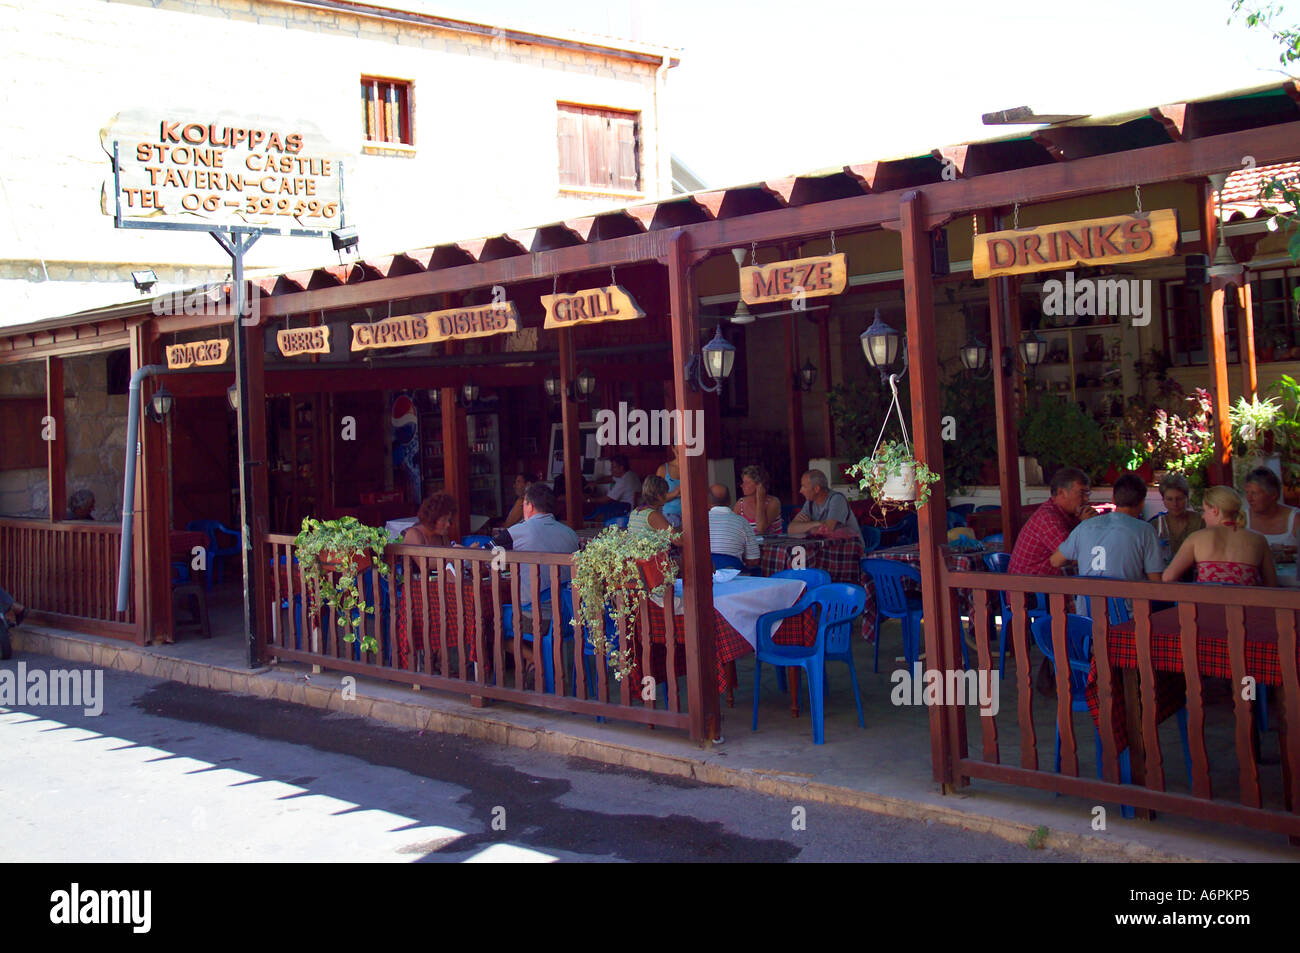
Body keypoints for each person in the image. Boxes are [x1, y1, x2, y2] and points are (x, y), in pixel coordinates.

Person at [1051, 473, 1163, 615]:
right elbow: (1157, 583)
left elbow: (1055, 561)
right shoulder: (1145, 530)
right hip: (1125, 618)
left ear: (1113, 499)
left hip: (1087, 615)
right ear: (1142, 502)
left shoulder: (1085, 526)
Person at [491, 482, 579, 622]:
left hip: (535, 613)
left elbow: (488, 552)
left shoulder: (518, 531)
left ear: (530, 505)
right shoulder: (571, 534)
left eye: (523, 505)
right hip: (568, 614)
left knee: (496, 627)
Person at [1163, 485, 1277, 586]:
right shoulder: (1258, 539)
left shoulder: (1196, 538)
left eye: (1204, 510)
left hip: (1208, 608)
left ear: (1215, 510)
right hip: (1247, 608)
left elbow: (1168, 578)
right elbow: (1272, 585)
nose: (1203, 517)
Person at [1007, 467, 1098, 578]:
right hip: (1031, 590)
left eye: (1087, 494)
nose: (1086, 499)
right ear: (1061, 492)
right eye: (1082, 493)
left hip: (1051, 585)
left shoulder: (1073, 515)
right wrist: (1086, 525)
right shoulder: (1048, 518)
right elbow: (1073, 557)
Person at [787, 469, 864, 545]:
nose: (801, 491)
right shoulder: (810, 502)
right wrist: (816, 524)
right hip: (826, 547)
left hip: (849, 548)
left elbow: (827, 529)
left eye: (804, 487)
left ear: (816, 489)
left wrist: (805, 527)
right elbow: (791, 529)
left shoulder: (837, 499)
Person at [1242, 467, 1300, 550]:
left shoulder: (1295, 519)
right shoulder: (1242, 519)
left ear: (1273, 495)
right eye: (1247, 493)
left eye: (1254, 493)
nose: (1249, 498)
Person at [707, 484, 760, 567]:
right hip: (734, 576)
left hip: (704, 576)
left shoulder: (699, 522)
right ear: (730, 501)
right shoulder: (742, 522)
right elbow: (753, 560)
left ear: (707, 502)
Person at [733, 464, 783, 536]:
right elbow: (733, 530)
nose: (742, 485)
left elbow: (761, 528)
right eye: (743, 482)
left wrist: (760, 500)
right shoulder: (740, 504)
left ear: (759, 484)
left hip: (771, 546)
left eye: (747, 483)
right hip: (749, 546)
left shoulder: (773, 502)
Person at [657, 448, 683, 529]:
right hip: (670, 517)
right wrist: (675, 493)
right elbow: (657, 498)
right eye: (678, 451)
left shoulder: (692, 467)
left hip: (691, 516)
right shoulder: (663, 469)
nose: (680, 453)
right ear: (673, 448)